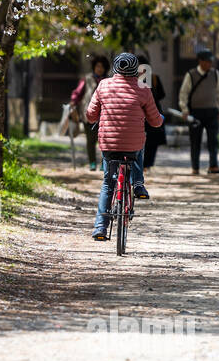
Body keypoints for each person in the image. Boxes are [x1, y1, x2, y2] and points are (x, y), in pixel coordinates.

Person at [87, 52, 164, 240]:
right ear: (135, 70)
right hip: (132, 145)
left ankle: (100, 227)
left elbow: (90, 115)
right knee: (140, 142)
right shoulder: (143, 89)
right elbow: (154, 121)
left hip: (108, 143)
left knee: (108, 183)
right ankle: (138, 183)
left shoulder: (103, 85)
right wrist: (161, 119)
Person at [179, 48, 219, 175]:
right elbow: (184, 93)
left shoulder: (215, 74)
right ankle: (195, 167)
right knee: (195, 141)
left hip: (212, 111)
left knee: (213, 140)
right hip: (195, 113)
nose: (209, 64)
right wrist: (185, 110)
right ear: (200, 61)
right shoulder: (191, 74)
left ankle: (213, 165)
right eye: (207, 61)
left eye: (211, 61)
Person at [69, 55, 109, 171]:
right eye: (97, 66)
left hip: (105, 115)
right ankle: (92, 162)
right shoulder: (87, 79)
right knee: (90, 141)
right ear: (94, 67)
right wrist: (73, 101)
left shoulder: (108, 80)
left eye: (102, 67)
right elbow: (78, 93)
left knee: (105, 141)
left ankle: (104, 163)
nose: (99, 69)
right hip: (89, 114)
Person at [137, 53, 166, 168]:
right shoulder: (133, 80)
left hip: (153, 111)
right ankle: (140, 164)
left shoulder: (154, 78)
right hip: (138, 113)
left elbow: (162, 94)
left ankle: (148, 164)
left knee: (153, 139)